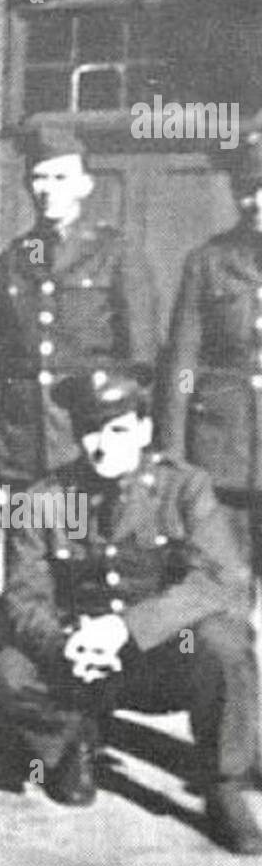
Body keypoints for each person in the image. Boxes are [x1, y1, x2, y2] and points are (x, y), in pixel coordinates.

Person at [0, 365, 261, 855]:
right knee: (6, 673)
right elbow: (24, 598)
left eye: (117, 429)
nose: (102, 444)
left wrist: (126, 628)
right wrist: (64, 642)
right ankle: (71, 744)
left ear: (144, 430)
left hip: (158, 660)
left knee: (223, 640)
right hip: (78, 661)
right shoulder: (45, 499)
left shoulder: (184, 487)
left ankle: (223, 784)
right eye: (90, 430)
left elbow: (222, 579)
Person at [0, 122, 155, 492]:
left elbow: (141, 360)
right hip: (21, 440)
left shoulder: (116, 253)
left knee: (81, 540)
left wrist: (126, 440)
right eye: (39, 177)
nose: (49, 189)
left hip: (87, 434)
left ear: (85, 184)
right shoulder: (11, 261)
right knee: (25, 539)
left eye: (62, 177)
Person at [157, 113, 262, 576]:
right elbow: (183, 361)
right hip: (225, 446)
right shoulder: (208, 261)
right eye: (247, 188)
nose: (255, 201)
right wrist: (173, 451)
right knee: (224, 573)